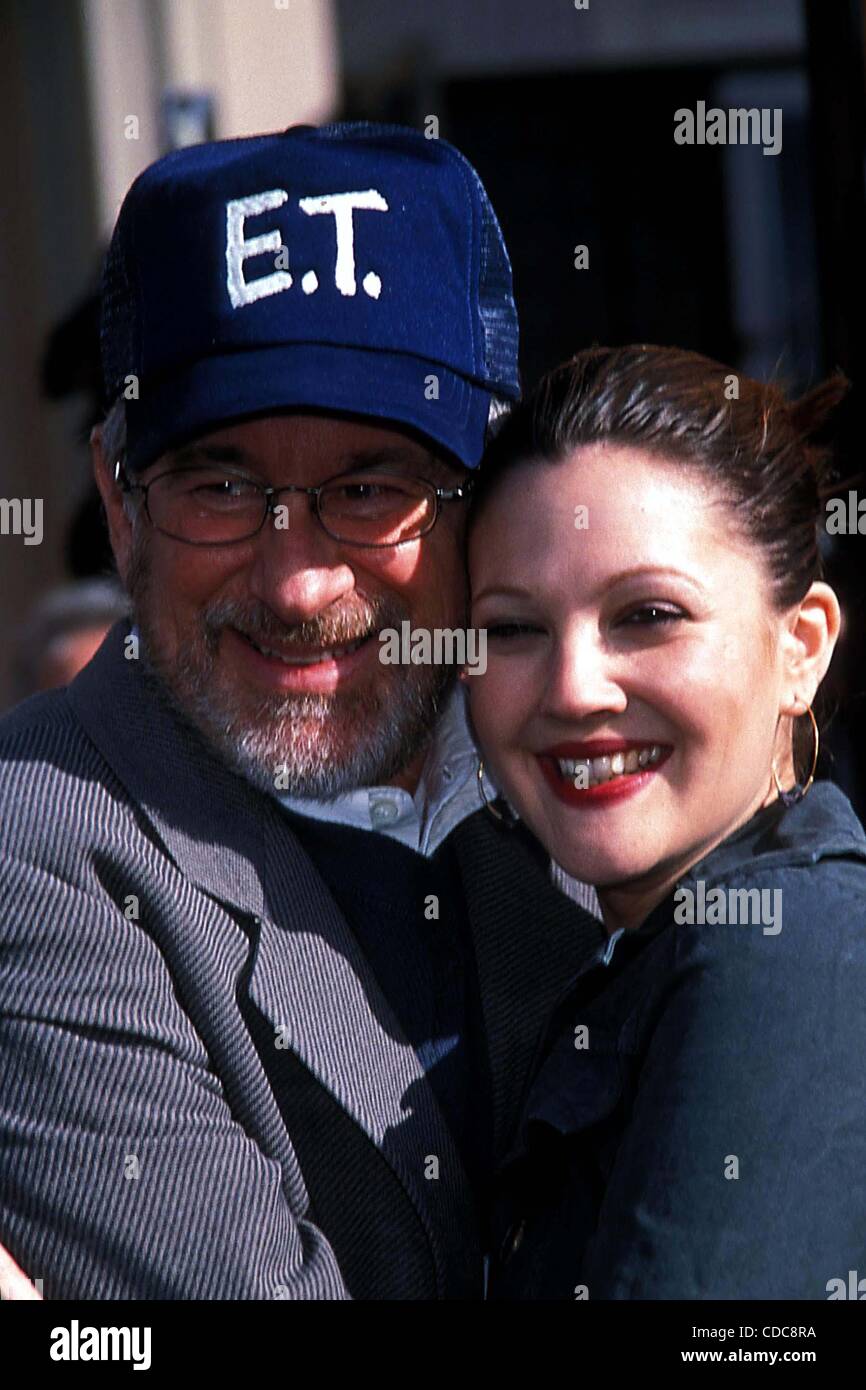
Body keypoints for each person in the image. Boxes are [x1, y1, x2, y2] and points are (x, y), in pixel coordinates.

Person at [0, 122, 609, 1301]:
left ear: (489, 497)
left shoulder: (583, 769)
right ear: (118, 508)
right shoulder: (38, 843)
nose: (295, 583)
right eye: (218, 485)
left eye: (369, 488)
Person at [464, 343, 866, 1299]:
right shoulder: (649, 958)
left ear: (799, 647)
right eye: (512, 629)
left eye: (647, 615)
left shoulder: (786, 952)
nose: (572, 690)